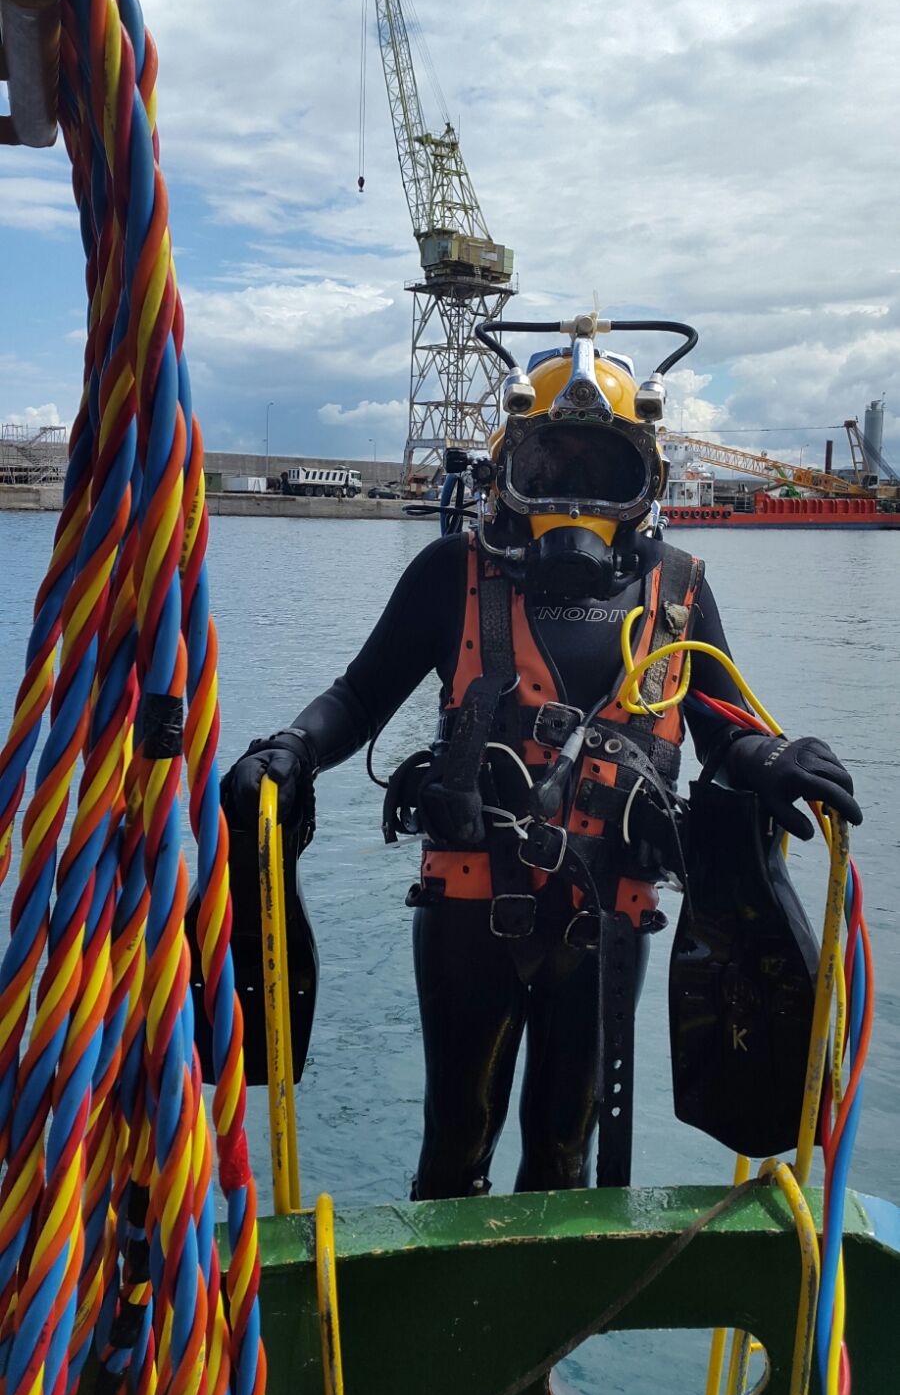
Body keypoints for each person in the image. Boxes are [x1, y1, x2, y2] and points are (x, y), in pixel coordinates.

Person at [222, 330, 861, 1200]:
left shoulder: (678, 592)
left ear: (646, 484)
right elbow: (358, 697)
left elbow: (722, 727)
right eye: (551, 469)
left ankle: (535, 1330)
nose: (575, 499)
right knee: (455, 1146)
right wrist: (292, 748)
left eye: (603, 474)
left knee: (565, 1159)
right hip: (467, 906)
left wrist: (773, 759)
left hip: (608, 918)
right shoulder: (454, 572)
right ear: (508, 473)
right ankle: (448, 1326)